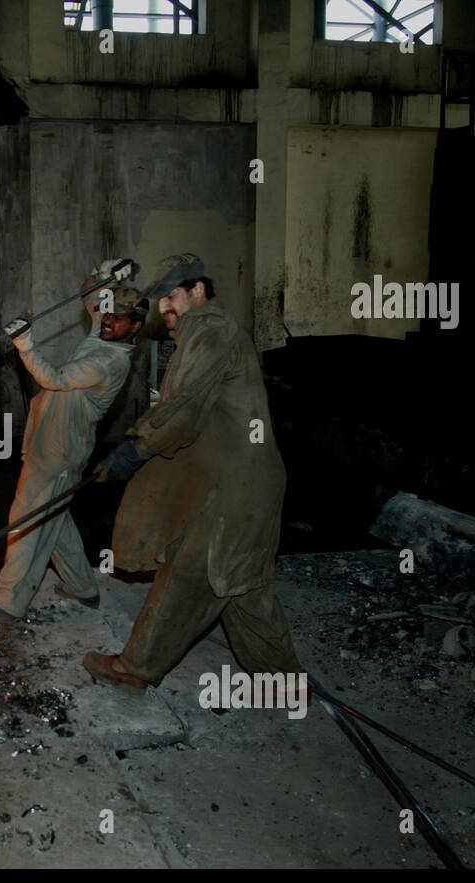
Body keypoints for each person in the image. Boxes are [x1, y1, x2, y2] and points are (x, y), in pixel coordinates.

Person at [84, 254, 305, 694]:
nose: (165, 307)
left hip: (235, 488)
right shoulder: (205, 332)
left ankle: (134, 669)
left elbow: (182, 406)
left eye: (173, 296)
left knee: (193, 572)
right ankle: (282, 685)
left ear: (198, 290)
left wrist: (133, 449)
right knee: (241, 585)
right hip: (237, 482)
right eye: (161, 299)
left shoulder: (209, 329)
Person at [0, 268, 146, 624]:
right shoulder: (105, 335)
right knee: (55, 519)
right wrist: (102, 275)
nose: (106, 321)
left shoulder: (110, 361)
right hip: (53, 443)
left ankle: (9, 601)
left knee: (26, 519)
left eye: (118, 319)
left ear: (135, 327)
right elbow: (92, 298)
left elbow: (54, 378)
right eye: (107, 314)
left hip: (59, 450)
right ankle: (84, 588)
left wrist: (25, 343)